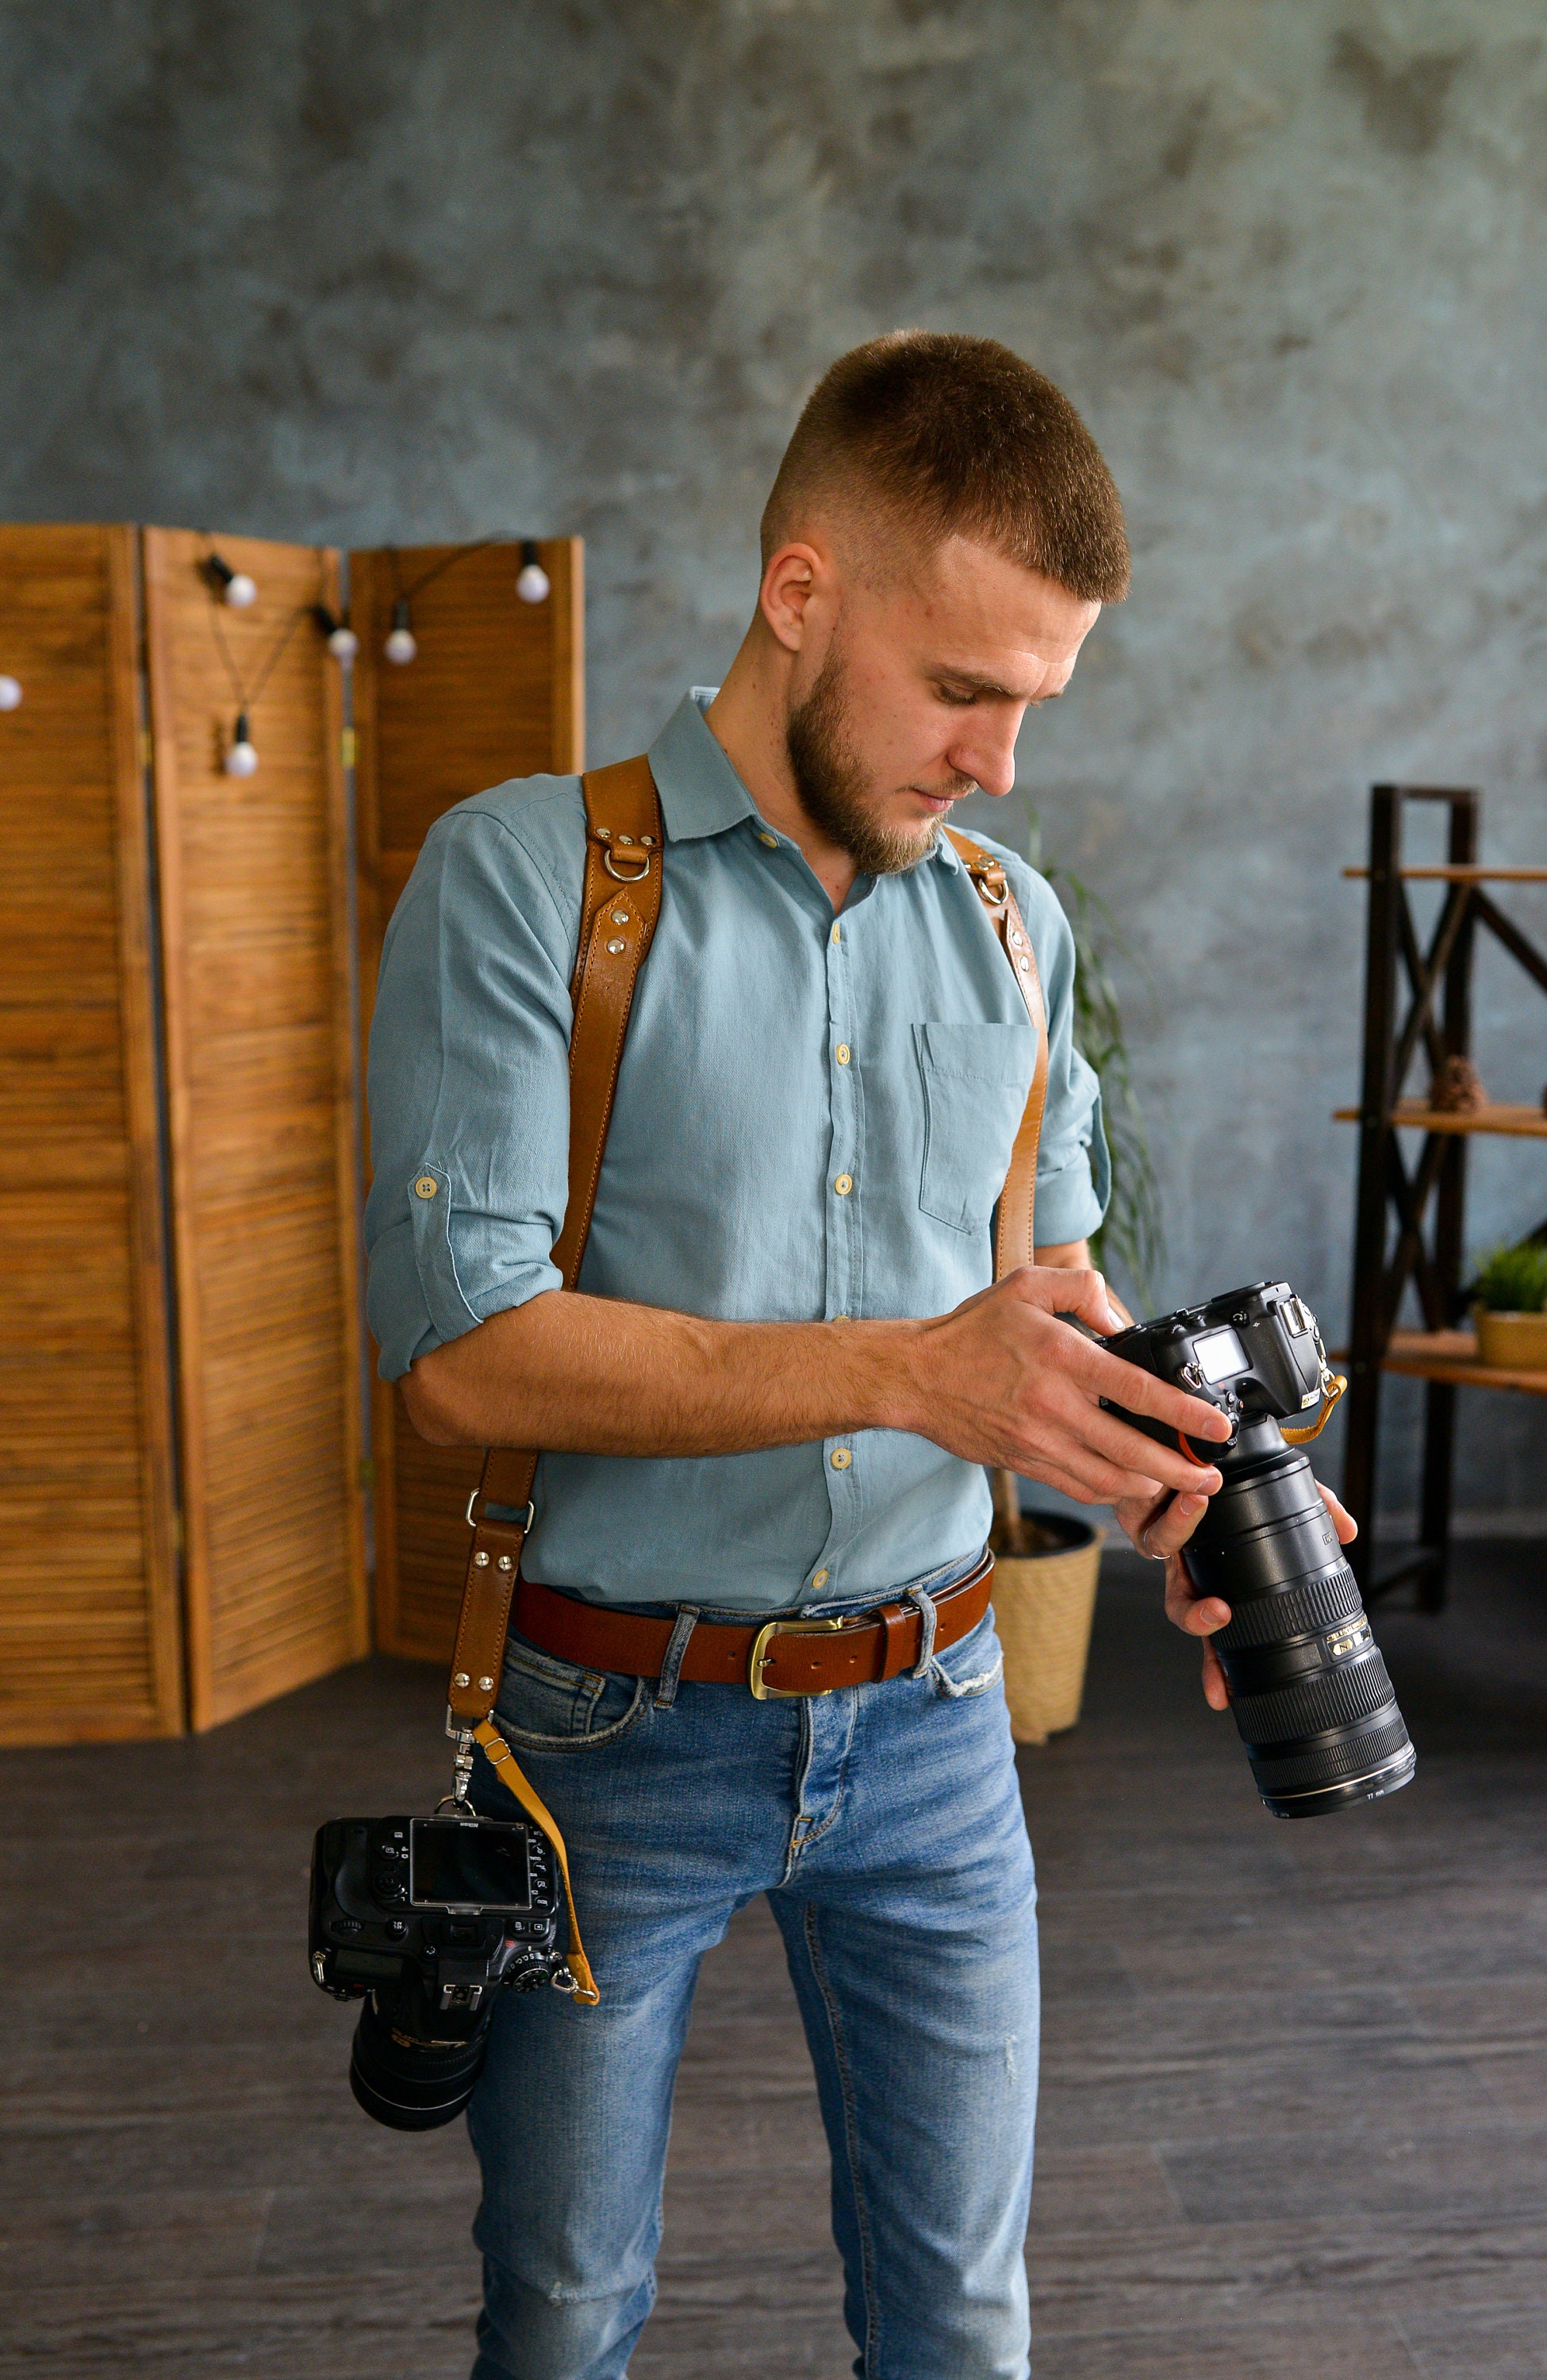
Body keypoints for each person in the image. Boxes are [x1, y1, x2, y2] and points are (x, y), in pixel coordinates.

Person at [365, 331, 1357, 2380]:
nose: (1001, 763)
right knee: (561, 2317)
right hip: (605, 1734)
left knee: (961, 2324)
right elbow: (464, 1358)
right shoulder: (529, 878)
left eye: (1037, 704)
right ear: (799, 595)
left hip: (935, 1728)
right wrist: (913, 1377)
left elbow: (1049, 1304)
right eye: (964, 690)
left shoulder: (1007, 922)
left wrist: (1182, 1472)